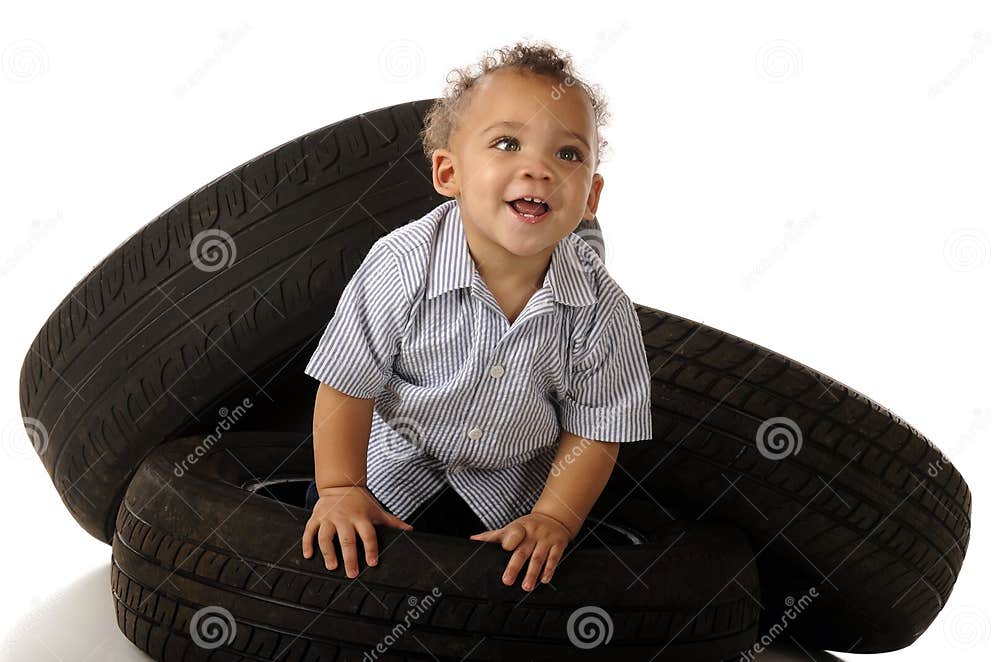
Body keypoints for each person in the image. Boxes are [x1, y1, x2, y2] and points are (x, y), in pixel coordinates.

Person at [300, 40, 652, 593]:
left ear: (592, 196)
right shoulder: (400, 265)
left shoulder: (602, 308)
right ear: (448, 173)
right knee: (330, 557)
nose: (537, 168)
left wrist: (556, 517)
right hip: (389, 479)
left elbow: (597, 429)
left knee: (536, 585)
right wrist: (341, 488)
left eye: (568, 154)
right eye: (507, 143)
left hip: (511, 503)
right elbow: (346, 386)